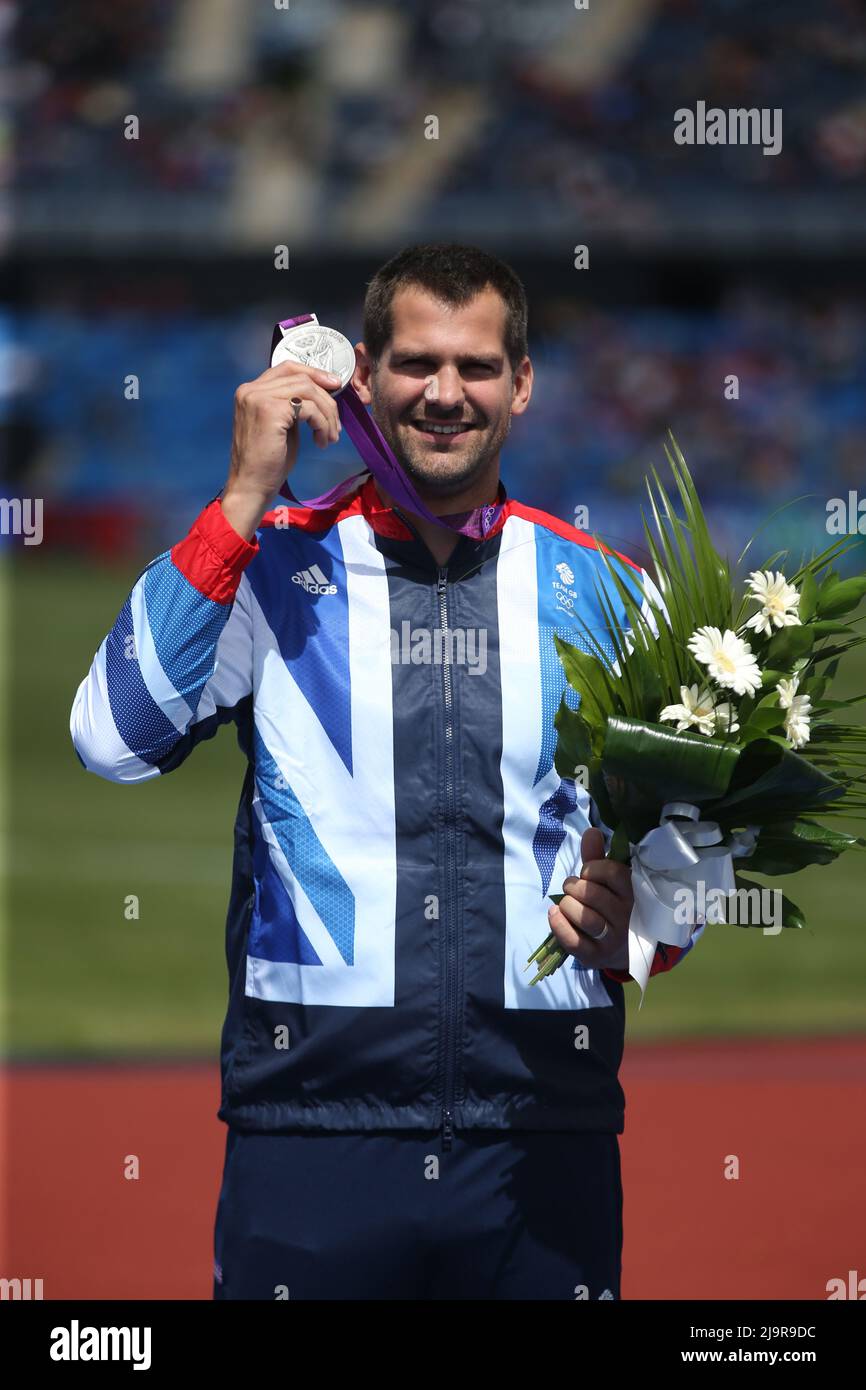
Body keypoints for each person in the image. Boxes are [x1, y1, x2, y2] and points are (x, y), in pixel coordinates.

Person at [70, 243, 702, 1301]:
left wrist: (650, 921)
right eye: (413, 363)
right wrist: (237, 500)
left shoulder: (604, 592)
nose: (444, 394)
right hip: (312, 1135)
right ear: (360, 376)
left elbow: (696, 849)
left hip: (539, 1140)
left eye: (475, 366)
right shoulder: (268, 566)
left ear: (522, 384)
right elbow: (112, 736)